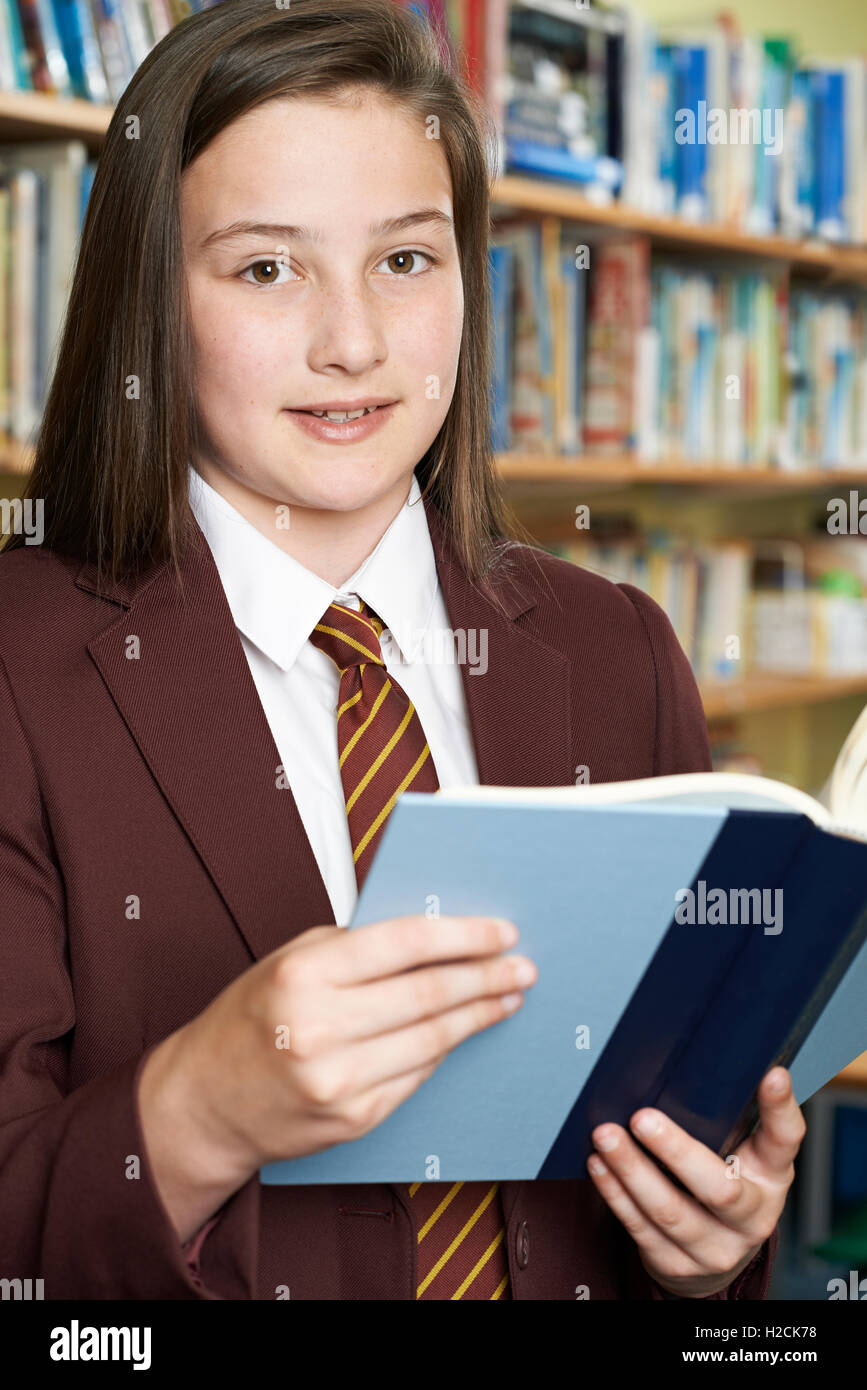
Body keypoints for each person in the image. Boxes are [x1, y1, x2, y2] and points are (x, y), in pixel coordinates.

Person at [0, 0, 803, 1300]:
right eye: (269, 267)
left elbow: (682, 1146)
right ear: (153, 298)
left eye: (407, 261)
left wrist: (717, 1244)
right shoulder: (18, 667)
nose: (355, 344)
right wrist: (200, 1108)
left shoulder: (621, 648)